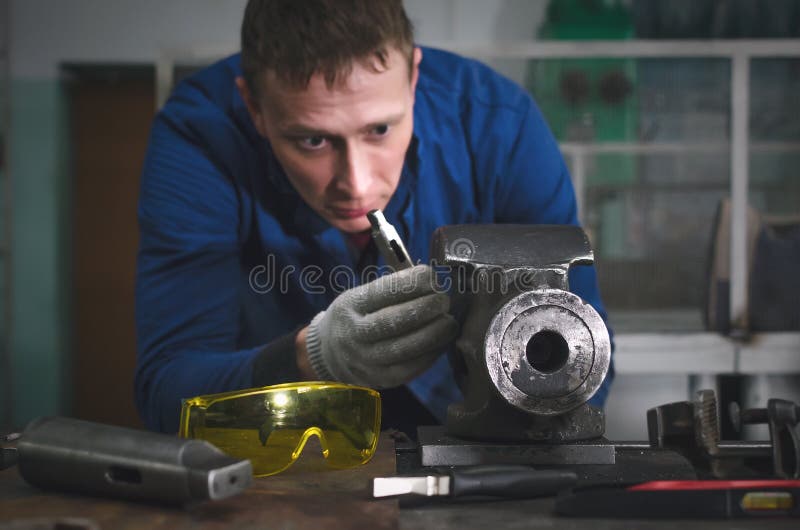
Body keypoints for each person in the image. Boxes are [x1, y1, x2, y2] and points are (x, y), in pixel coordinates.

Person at [135, 0, 614, 434]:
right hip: (281, 456)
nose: (357, 185)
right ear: (255, 108)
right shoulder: (200, 137)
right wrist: (309, 357)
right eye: (312, 140)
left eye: (380, 129)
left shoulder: (500, 127)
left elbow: (585, 355)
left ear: (412, 79)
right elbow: (167, 394)